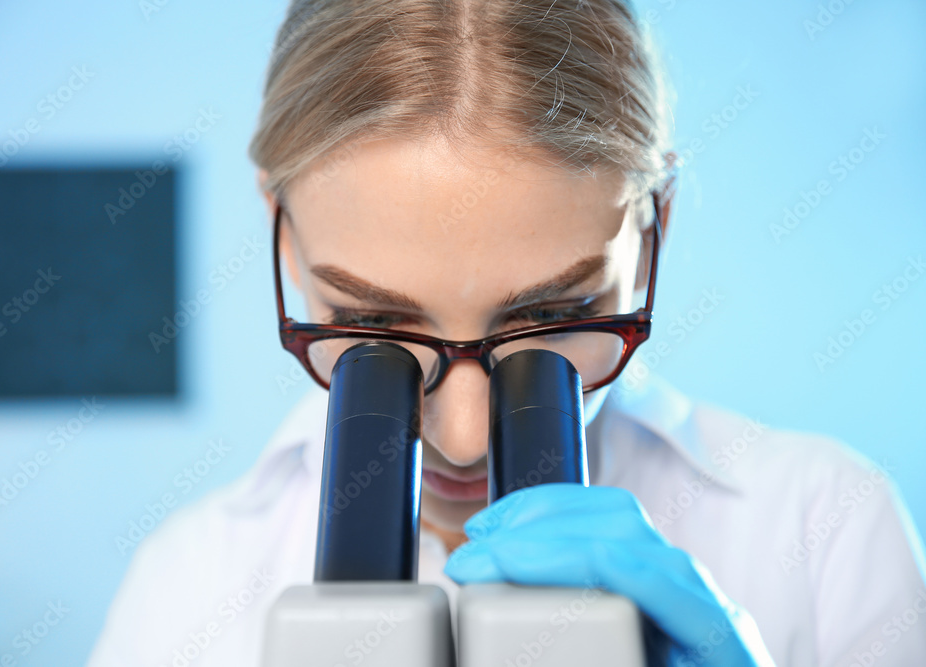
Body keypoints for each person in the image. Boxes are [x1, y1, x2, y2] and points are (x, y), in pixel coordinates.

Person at [87, 0, 926, 665]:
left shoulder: (826, 530)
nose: (458, 439)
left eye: (554, 323)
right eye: (373, 327)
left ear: (655, 227)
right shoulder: (186, 585)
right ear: (281, 232)